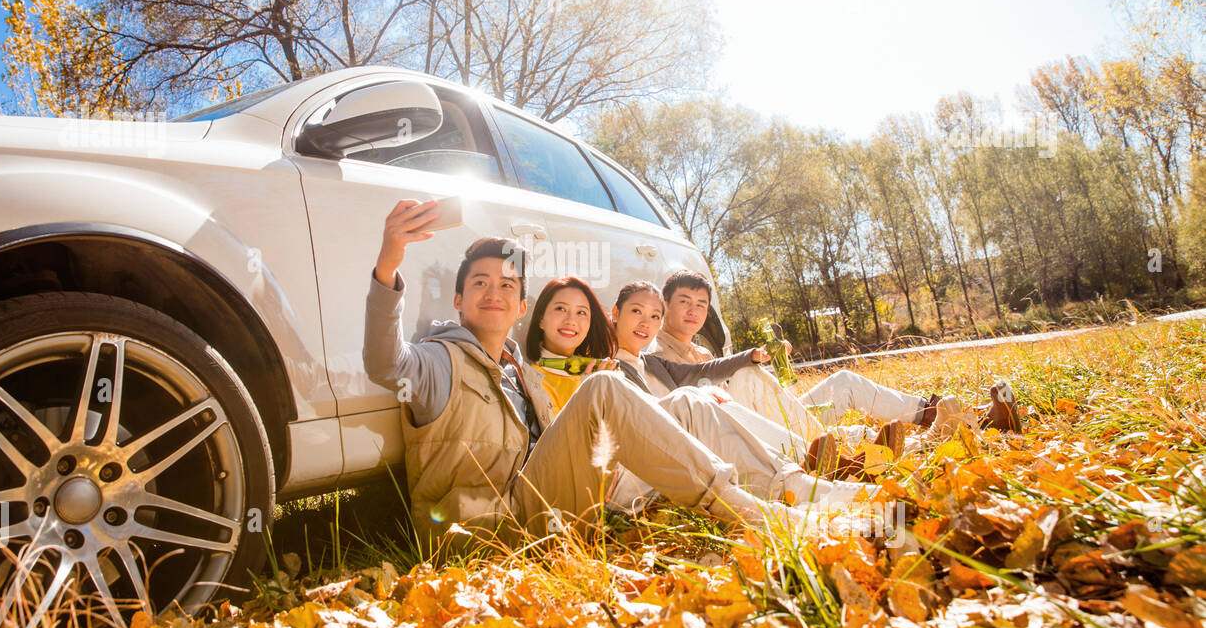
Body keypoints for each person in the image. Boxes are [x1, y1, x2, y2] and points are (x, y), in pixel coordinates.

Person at [362, 199, 846, 553]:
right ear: (459, 301)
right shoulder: (439, 357)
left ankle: (802, 489)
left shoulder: (518, 370)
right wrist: (388, 265)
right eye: (480, 284)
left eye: (507, 285)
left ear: (521, 306)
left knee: (689, 403)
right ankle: (749, 513)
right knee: (606, 389)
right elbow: (386, 364)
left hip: (550, 499)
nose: (494, 292)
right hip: (491, 527)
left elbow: (556, 441)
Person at [521, 275, 881, 510]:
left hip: (636, 462)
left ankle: (800, 482)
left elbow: (699, 371)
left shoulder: (595, 366)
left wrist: (751, 358)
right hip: (603, 484)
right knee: (692, 400)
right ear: (538, 318)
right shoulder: (535, 374)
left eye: (582, 313)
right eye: (561, 310)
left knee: (701, 396)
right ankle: (797, 477)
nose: (572, 320)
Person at [651, 270, 1021, 448]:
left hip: (780, 418)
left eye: (701, 304)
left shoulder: (704, 352)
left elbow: (755, 393)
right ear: (664, 306)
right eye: (684, 302)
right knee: (843, 437)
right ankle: (963, 431)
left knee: (844, 381)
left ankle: (943, 415)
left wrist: (769, 366)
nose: (694, 311)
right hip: (758, 436)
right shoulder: (657, 357)